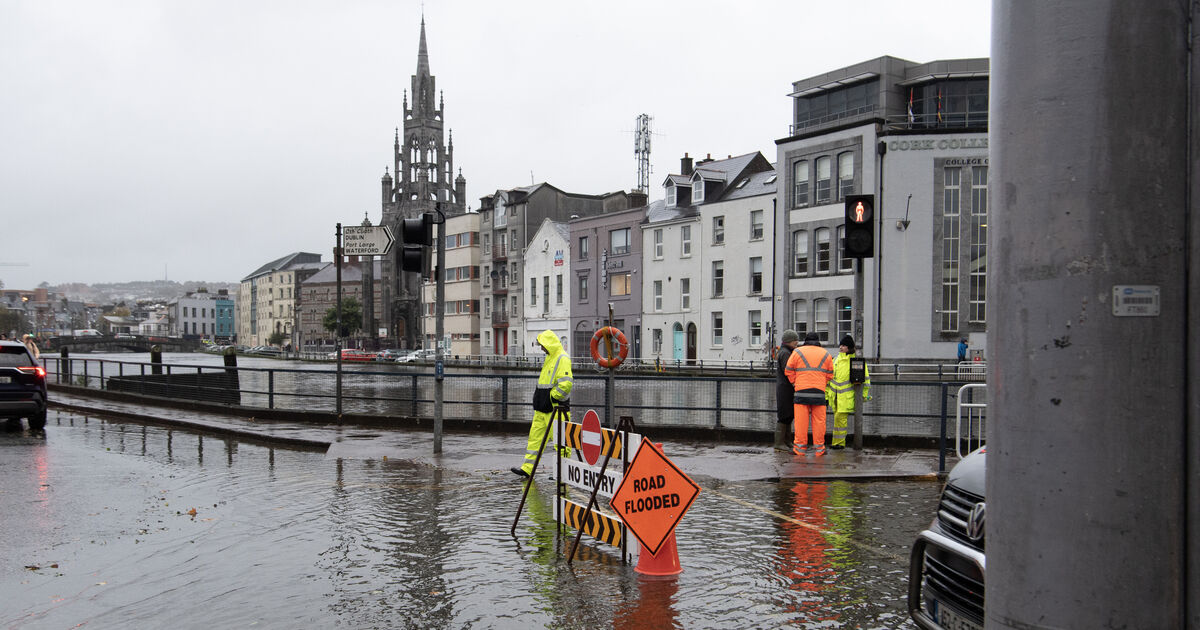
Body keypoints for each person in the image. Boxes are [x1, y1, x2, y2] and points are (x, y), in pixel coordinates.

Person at [512, 329, 574, 478]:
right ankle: (528, 469)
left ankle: (562, 473)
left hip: (556, 409)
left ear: (549, 344)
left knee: (561, 442)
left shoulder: (561, 358)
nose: (541, 348)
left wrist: (552, 398)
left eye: (542, 345)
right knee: (535, 440)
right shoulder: (550, 358)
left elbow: (566, 384)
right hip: (542, 408)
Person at [785, 332, 834, 456]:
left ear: (805, 341)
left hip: (801, 392)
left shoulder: (797, 352)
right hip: (819, 393)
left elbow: (788, 370)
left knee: (801, 422)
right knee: (819, 422)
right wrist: (821, 383)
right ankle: (819, 449)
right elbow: (830, 375)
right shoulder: (826, 354)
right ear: (818, 341)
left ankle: (799, 449)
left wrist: (796, 383)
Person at [827, 335, 870, 449]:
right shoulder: (835, 359)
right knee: (837, 420)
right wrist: (827, 395)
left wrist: (863, 397)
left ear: (849, 348)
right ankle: (837, 443)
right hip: (835, 396)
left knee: (840, 419)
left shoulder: (855, 361)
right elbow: (829, 378)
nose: (841, 347)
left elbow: (865, 381)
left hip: (847, 397)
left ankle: (839, 444)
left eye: (844, 345)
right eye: (840, 345)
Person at [774, 329, 800, 452]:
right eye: (795, 340)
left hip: (785, 388)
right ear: (789, 341)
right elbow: (788, 370)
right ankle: (779, 443)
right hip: (785, 388)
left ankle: (786, 441)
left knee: (788, 415)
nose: (797, 342)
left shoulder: (785, 352)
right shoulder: (785, 353)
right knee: (784, 416)